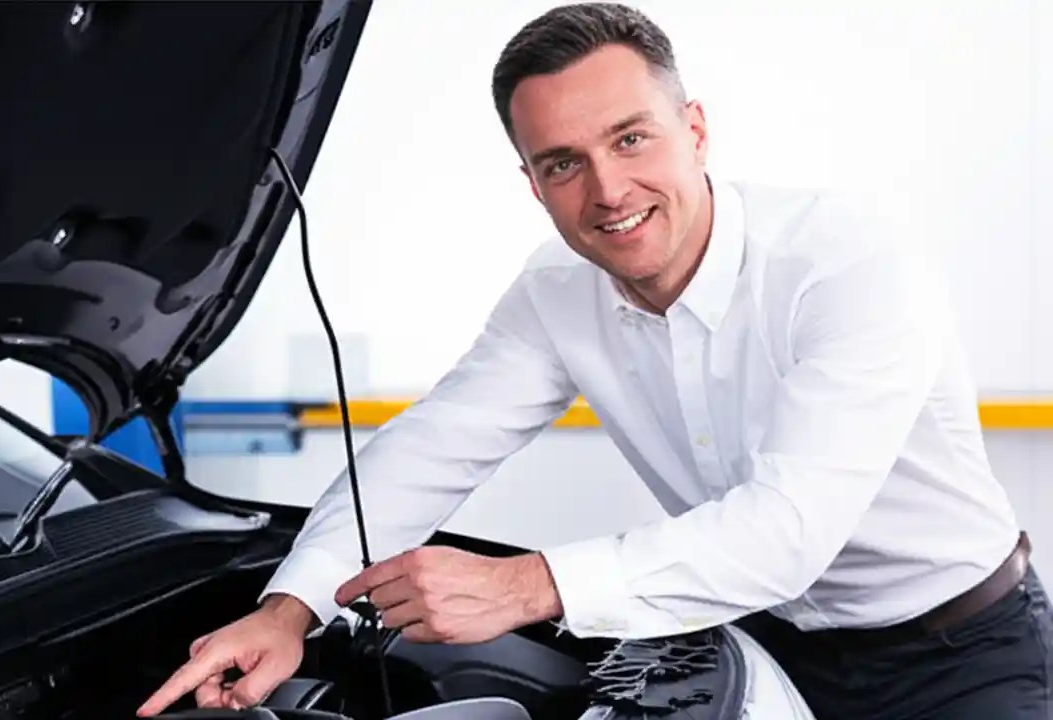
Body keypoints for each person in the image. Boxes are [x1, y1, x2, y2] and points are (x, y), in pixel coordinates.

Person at [138, 3, 1053, 718]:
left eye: (630, 138)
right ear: (531, 184)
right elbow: (423, 455)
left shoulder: (850, 261)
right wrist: (290, 609)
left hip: (960, 655)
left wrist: (523, 585)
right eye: (563, 163)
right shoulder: (555, 293)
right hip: (770, 648)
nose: (609, 191)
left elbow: (787, 533)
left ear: (693, 129)